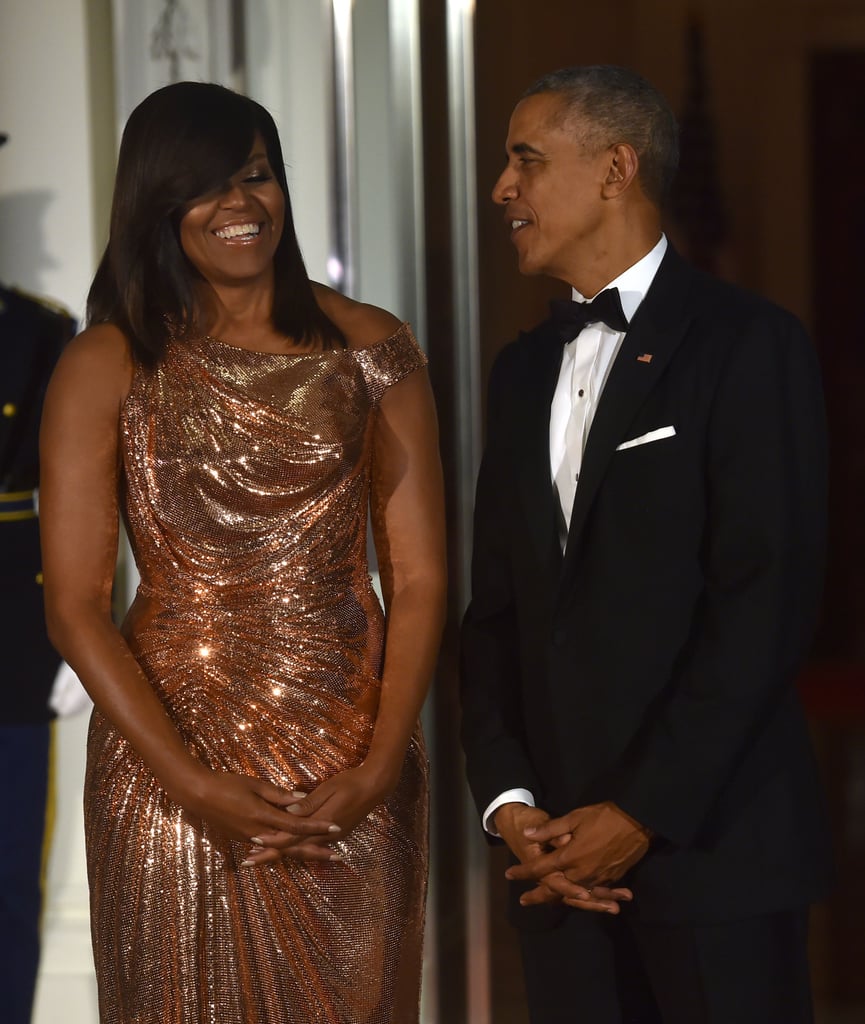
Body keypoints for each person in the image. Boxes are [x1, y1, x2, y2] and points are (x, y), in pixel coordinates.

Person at [39, 81, 446, 1024]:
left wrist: (379, 767)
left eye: (257, 176)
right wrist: (194, 784)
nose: (240, 204)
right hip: (168, 766)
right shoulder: (108, 362)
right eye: (207, 186)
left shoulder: (372, 347)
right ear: (156, 204)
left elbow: (421, 580)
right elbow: (72, 605)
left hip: (350, 758)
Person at [460, 65, 832, 1024]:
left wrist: (637, 815)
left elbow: (765, 602)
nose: (502, 188)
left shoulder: (750, 343)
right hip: (553, 872)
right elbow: (494, 611)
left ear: (616, 168)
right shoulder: (517, 370)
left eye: (526, 161)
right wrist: (509, 805)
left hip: (713, 856)